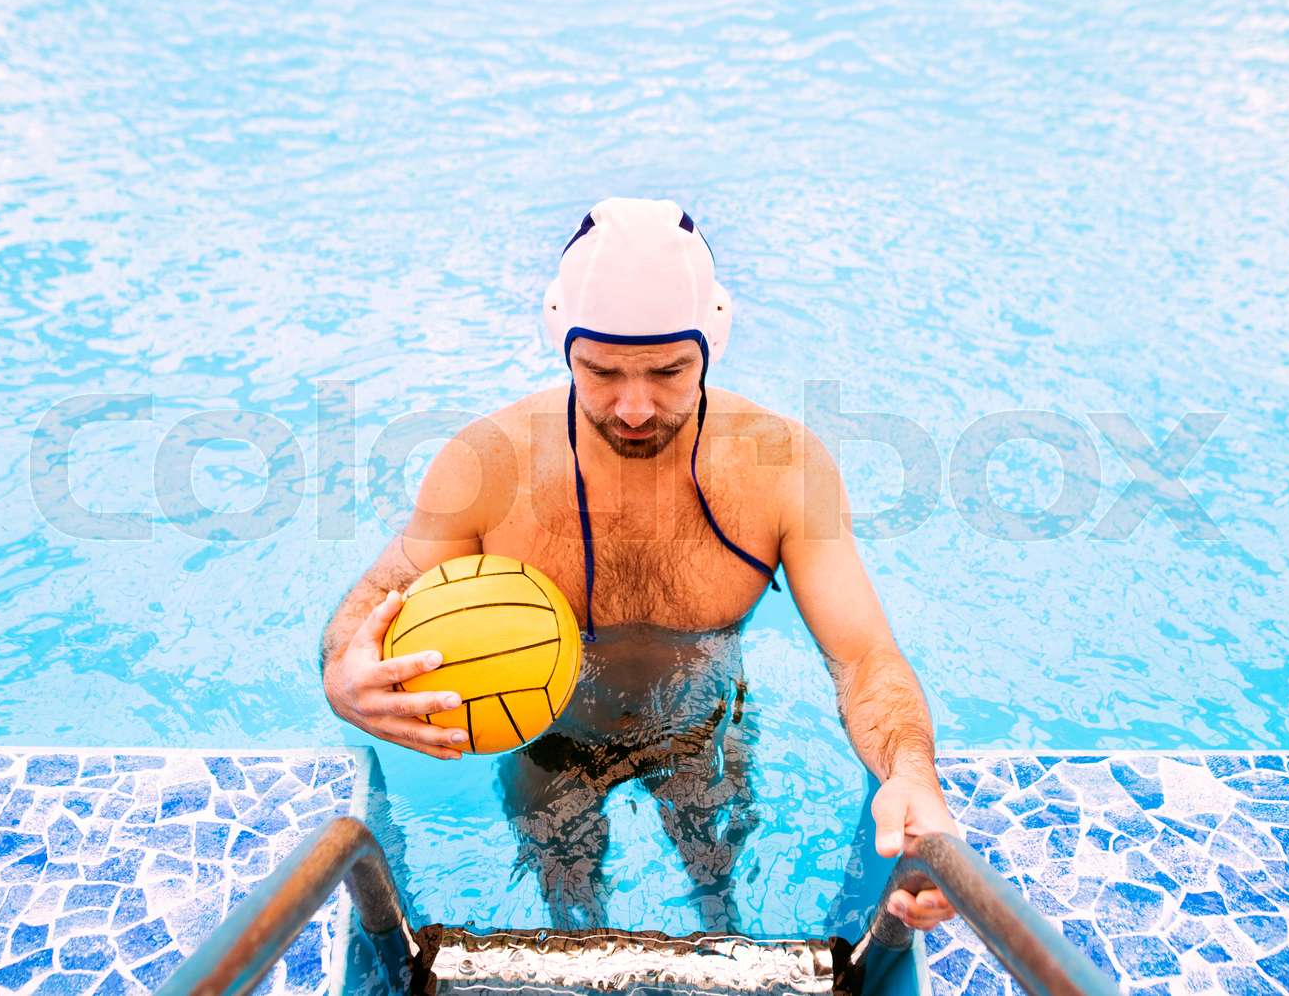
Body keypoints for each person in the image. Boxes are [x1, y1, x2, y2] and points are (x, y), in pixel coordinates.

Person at [321, 197, 957, 935]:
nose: (632, 407)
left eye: (666, 372)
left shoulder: (781, 469)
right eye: (599, 372)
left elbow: (862, 657)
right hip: (546, 738)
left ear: (711, 345)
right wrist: (346, 677)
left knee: (719, 891)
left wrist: (910, 772)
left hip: (702, 726)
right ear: (561, 346)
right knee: (568, 914)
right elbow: (374, 599)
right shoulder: (487, 466)